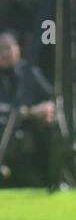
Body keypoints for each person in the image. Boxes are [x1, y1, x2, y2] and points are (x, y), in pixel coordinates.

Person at [0, 29, 57, 188]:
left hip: (33, 132)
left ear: (17, 49)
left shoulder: (29, 71)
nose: (5, 53)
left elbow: (50, 95)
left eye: (8, 48)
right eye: (1, 49)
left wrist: (49, 108)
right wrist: (28, 113)